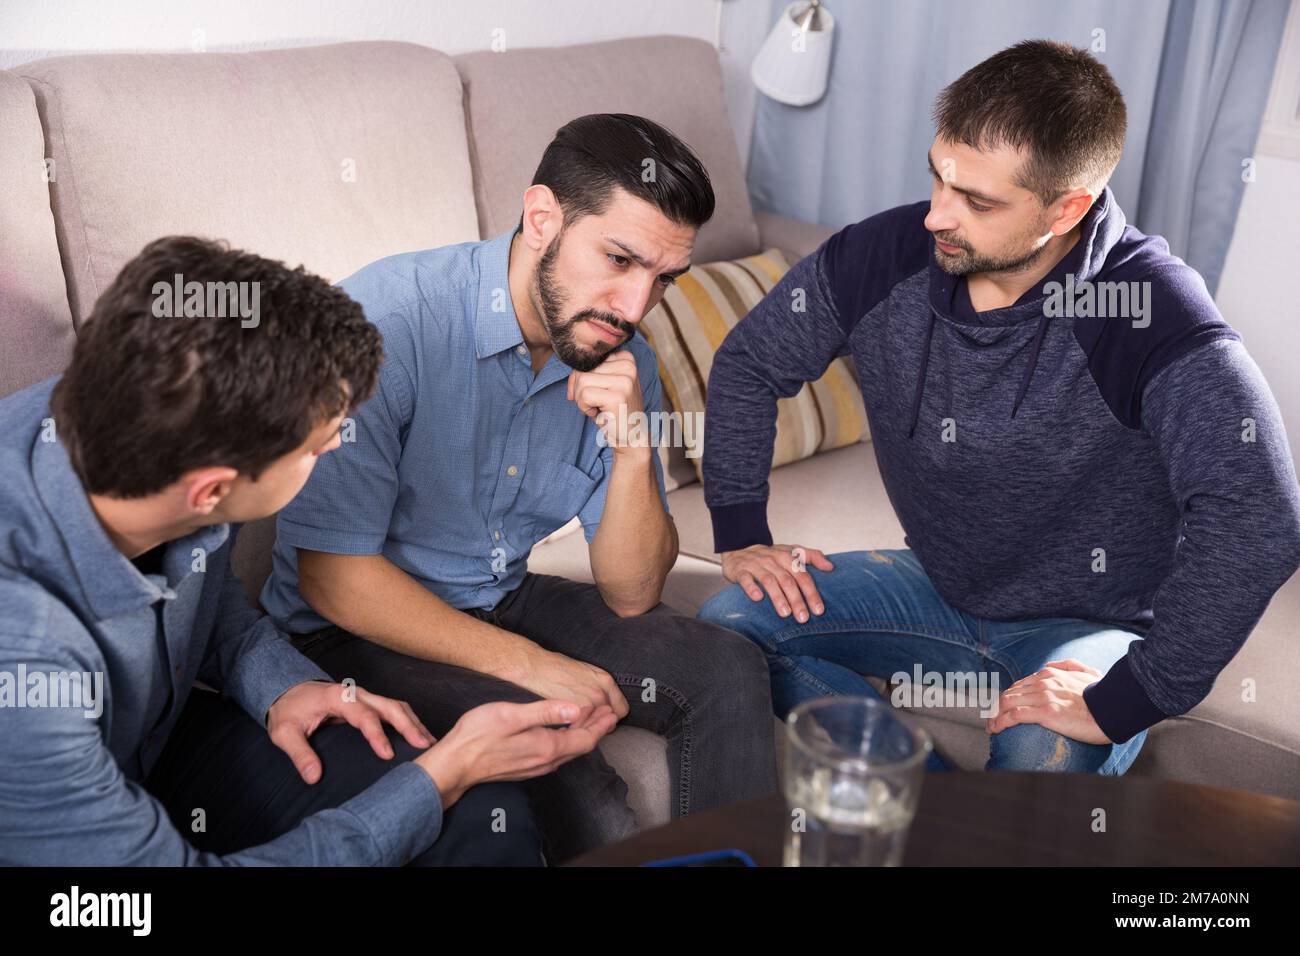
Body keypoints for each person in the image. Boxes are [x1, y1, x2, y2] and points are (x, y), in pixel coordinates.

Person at [697, 40, 1300, 776]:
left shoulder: (1148, 310)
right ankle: (928, 803)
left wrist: (1133, 697)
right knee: (729, 631)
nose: (936, 217)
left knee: (1039, 761)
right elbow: (749, 363)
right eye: (939, 179)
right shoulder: (879, 255)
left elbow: (1259, 513)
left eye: (977, 201)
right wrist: (739, 528)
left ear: (1068, 208)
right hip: (936, 586)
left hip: (1092, 627)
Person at [261, 114, 778, 862]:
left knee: (727, 668)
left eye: (663, 279)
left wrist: (633, 450)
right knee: (577, 783)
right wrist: (531, 665)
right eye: (619, 259)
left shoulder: (622, 353)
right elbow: (333, 578)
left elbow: (631, 593)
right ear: (542, 218)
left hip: (497, 592)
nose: (635, 307)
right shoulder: (387, 325)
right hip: (352, 631)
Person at [0, 236, 613, 865]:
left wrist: (281, 685)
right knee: (441, 787)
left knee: (477, 808)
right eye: (318, 446)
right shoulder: (24, 653)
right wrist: (441, 774)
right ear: (211, 490)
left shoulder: (153, 422)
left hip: (153, 739)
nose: (333, 451)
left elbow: (203, 599)